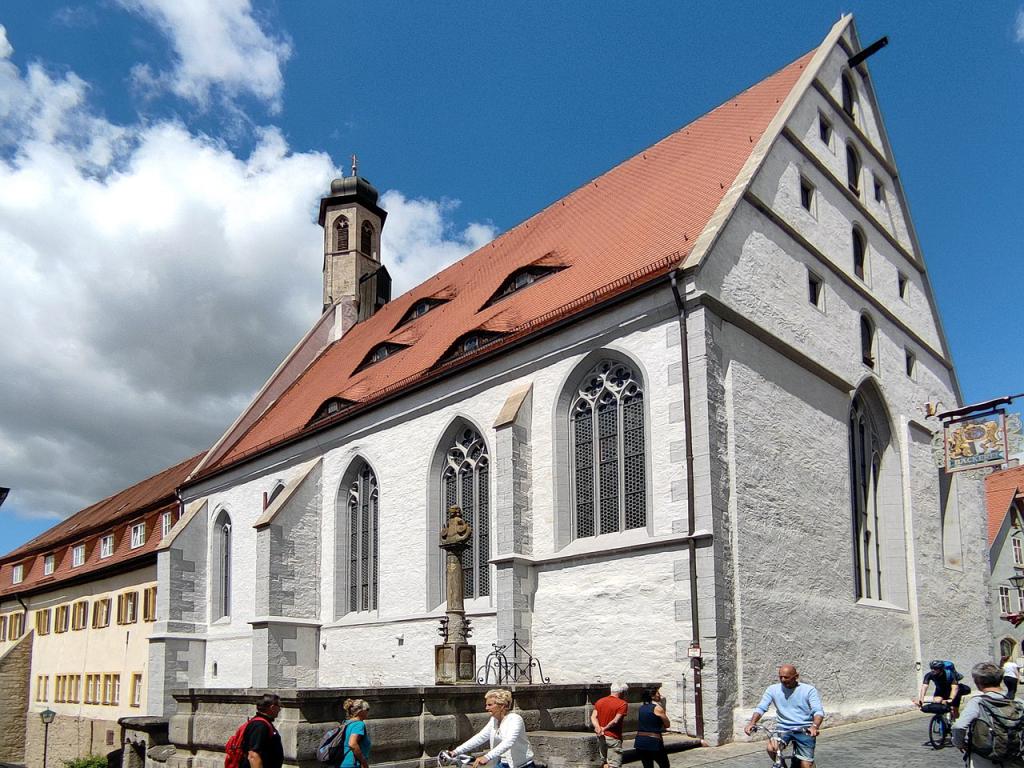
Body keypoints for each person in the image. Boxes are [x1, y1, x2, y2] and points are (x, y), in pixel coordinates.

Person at [743, 664, 824, 768]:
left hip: (804, 728)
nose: (783, 680)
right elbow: (761, 707)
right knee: (771, 748)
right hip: (783, 728)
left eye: (786, 677)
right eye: (780, 677)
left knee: (806, 765)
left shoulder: (809, 690)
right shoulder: (772, 689)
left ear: (796, 676)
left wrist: (814, 726)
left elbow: (818, 711)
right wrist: (752, 723)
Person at [952, 661, 1024, 768]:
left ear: (977, 682)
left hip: (984, 758)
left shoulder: (977, 702)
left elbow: (959, 726)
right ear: (1001, 679)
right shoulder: (1018, 702)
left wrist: (959, 743)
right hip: (1013, 757)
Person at [451, 688, 535, 768]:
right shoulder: (494, 720)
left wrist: (487, 757)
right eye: (486, 705)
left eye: (490, 705)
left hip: (523, 765)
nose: (486, 708)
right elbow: (480, 737)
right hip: (504, 764)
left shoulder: (515, 719)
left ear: (502, 706)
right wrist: (456, 751)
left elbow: (509, 741)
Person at [591, 682, 629, 768]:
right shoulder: (622, 704)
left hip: (601, 736)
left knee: (604, 763)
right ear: (622, 692)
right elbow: (615, 721)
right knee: (614, 765)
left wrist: (598, 728)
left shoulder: (600, 701)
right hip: (613, 737)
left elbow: (593, 717)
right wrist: (604, 728)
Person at [241, 693, 284, 768]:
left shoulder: (263, 723)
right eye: (279, 706)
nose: (280, 709)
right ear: (272, 707)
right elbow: (253, 755)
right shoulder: (260, 725)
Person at [634, 688, 671, 768]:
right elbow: (667, 724)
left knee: (648, 766)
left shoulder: (641, 708)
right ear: (652, 696)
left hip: (640, 740)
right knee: (664, 765)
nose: (660, 696)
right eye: (658, 694)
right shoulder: (657, 708)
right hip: (653, 741)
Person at [338, 698, 371, 768]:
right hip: (353, 764)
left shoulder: (347, 723)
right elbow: (352, 744)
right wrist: (363, 761)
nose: (368, 712)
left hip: (343, 763)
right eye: (367, 709)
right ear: (361, 711)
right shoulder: (359, 724)